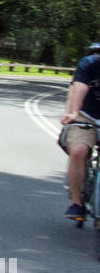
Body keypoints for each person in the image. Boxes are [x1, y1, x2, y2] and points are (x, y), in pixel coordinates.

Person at [60, 43, 100, 220]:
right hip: (87, 115)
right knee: (77, 152)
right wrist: (74, 112)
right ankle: (77, 203)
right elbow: (80, 88)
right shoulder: (89, 63)